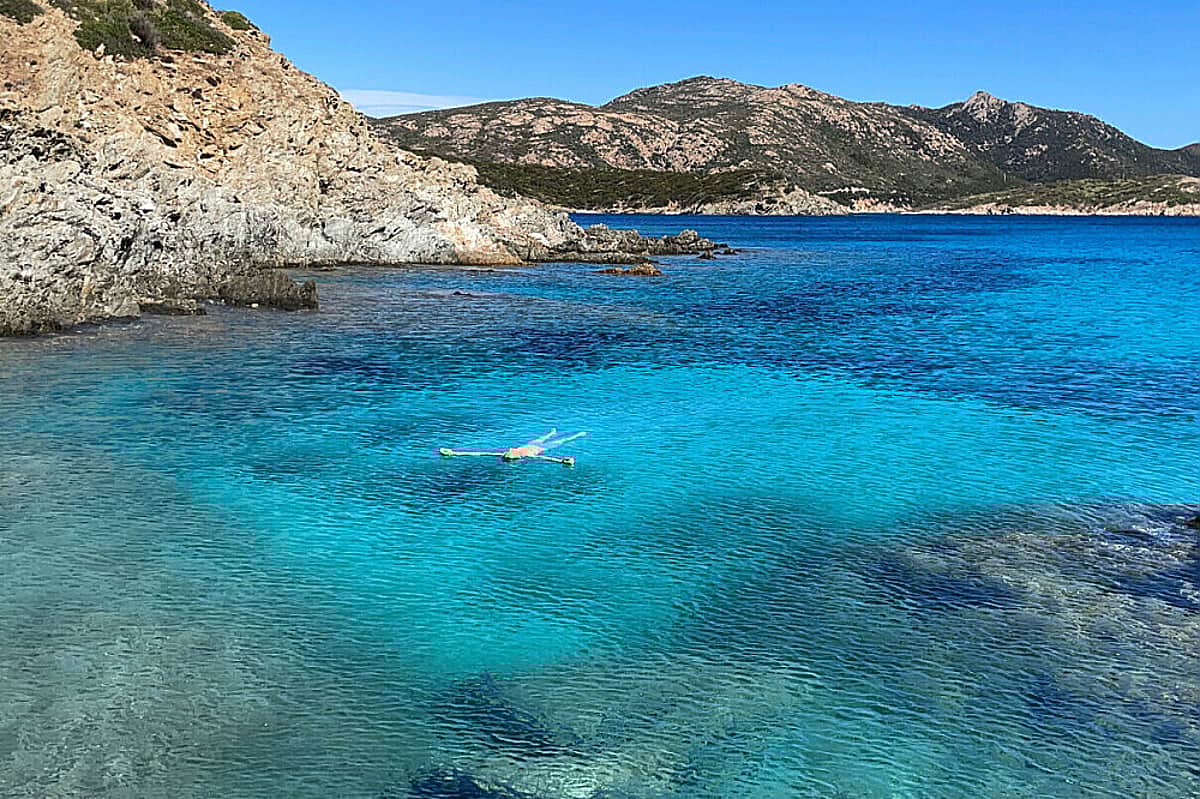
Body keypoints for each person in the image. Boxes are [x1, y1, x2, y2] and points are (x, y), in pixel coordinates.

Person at [439, 429, 586, 466]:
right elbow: (546, 458)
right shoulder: (527, 455)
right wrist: (455, 453)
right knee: (560, 440)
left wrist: (455, 453)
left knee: (547, 437)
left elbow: (481, 453)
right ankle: (576, 435)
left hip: (531, 446)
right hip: (540, 448)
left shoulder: (521, 455)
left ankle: (555, 432)